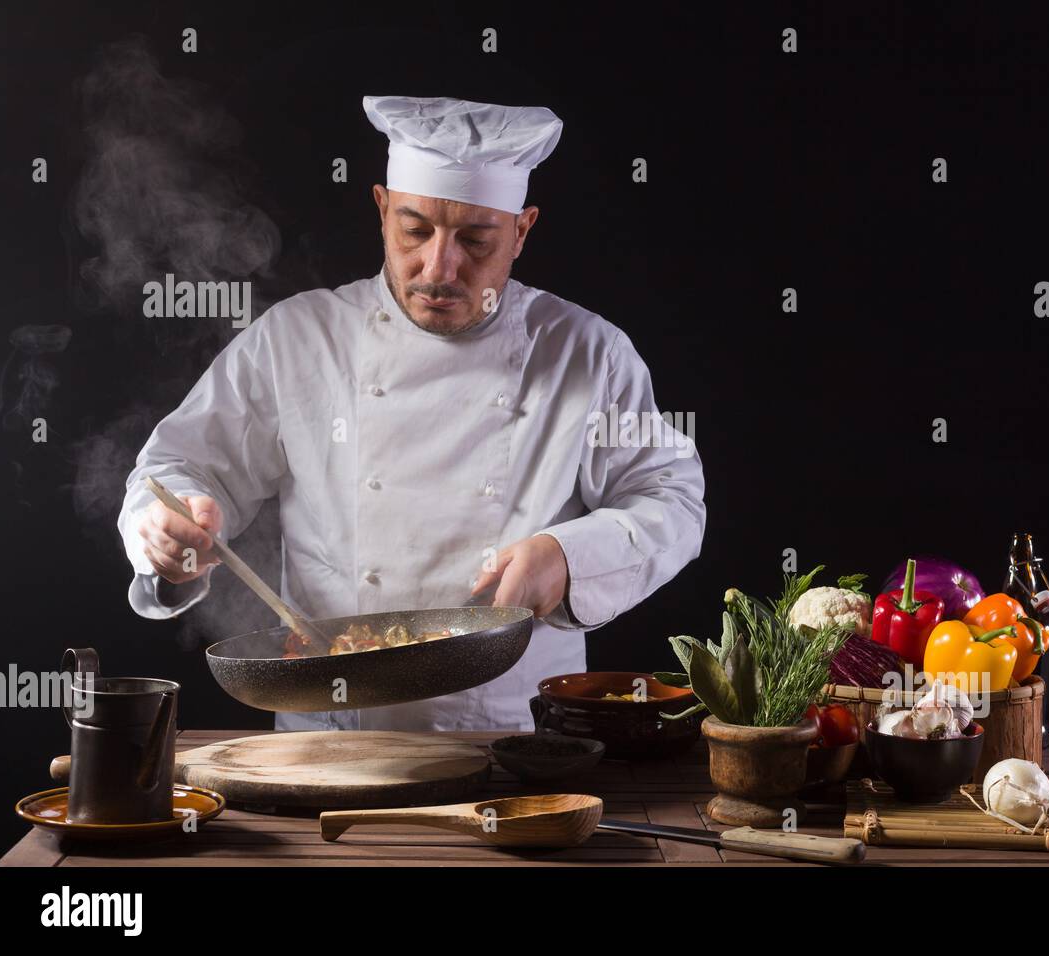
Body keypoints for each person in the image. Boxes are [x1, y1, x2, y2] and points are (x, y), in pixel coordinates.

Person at [116, 95, 706, 731]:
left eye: (476, 240)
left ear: (522, 230)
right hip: (331, 748)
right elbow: (180, 467)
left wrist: (570, 556)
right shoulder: (296, 341)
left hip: (514, 744)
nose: (439, 268)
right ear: (381, 209)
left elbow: (671, 499)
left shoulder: (588, 352)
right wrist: (169, 527)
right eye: (415, 230)